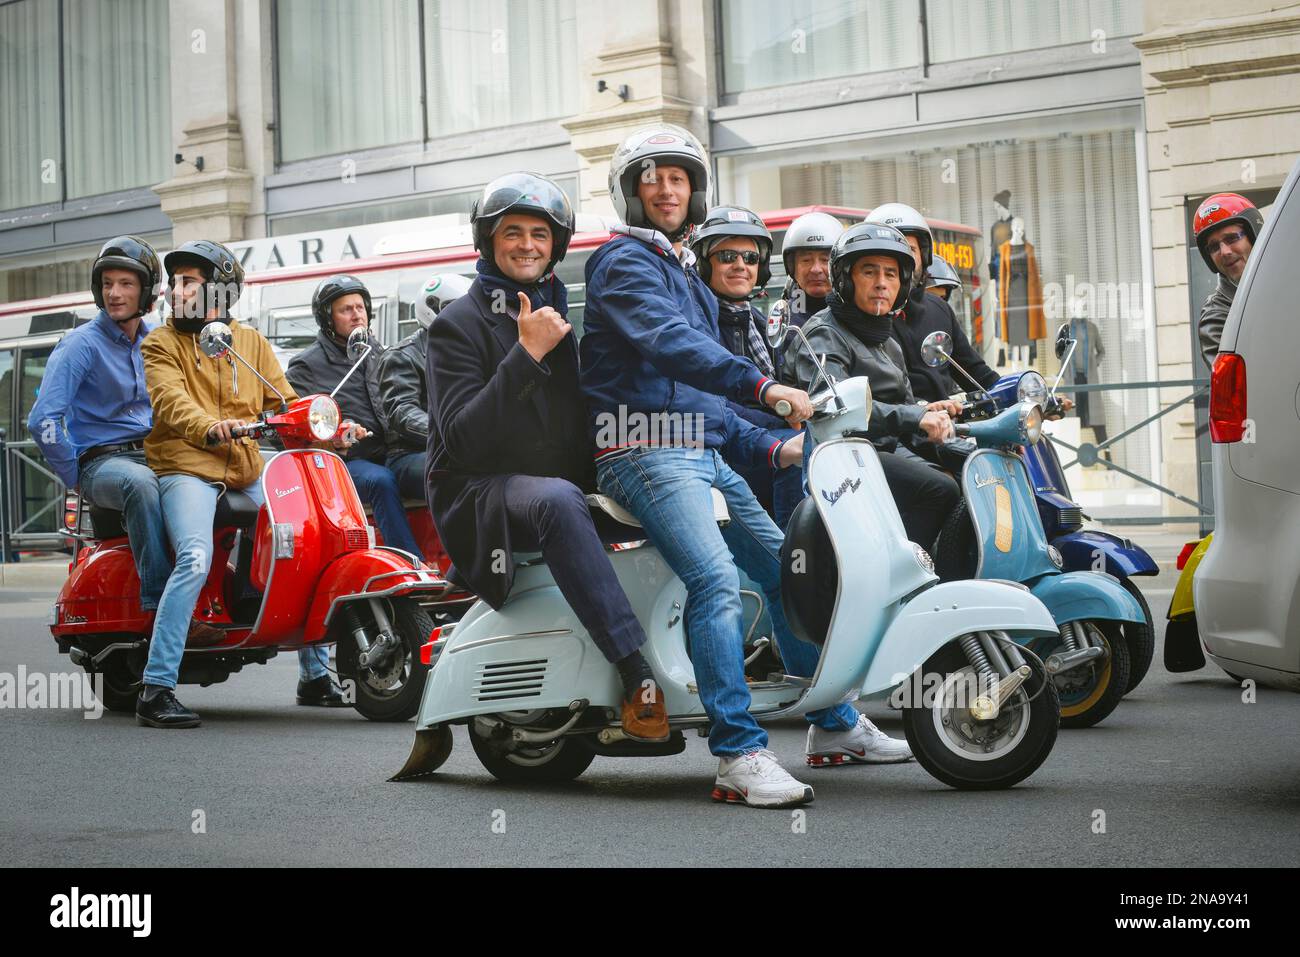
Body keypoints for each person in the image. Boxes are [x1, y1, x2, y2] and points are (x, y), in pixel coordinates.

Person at [582, 124, 912, 810]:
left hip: (697, 451)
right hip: (638, 449)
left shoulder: (683, 275)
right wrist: (763, 388)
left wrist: (776, 446)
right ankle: (737, 750)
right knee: (714, 581)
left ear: (693, 190)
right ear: (632, 191)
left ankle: (833, 720)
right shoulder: (622, 263)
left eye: (679, 177)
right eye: (653, 177)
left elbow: (703, 401)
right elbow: (671, 347)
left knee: (786, 569)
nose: (667, 188)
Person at [425, 172, 669, 743]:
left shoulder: (557, 313)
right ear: (488, 242)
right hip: (479, 491)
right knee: (559, 499)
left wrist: (654, 442)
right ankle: (636, 672)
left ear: (556, 245)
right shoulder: (458, 325)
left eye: (540, 233)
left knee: (670, 492)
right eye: (513, 232)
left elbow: (575, 418)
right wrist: (527, 353)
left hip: (553, 479)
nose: (527, 245)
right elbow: (462, 439)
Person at [137, 240, 357, 728]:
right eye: (175, 282)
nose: (177, 290)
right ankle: (156, 687)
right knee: (193, 557)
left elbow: (285, 398)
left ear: (221, 290)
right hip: (186, 465)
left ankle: (314, 674)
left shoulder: (250, 342)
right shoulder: (161, 343)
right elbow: (169, 400)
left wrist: (328, 426)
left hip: (245, 466)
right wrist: (207, 426)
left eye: (189, 281)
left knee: (311, 537)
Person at [783, 223, 962, 551]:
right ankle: (903, 571)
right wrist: (913, 417)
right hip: (843, 458)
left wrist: (930, 413)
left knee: (968, 470)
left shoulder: (887, 343)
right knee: (941, 490)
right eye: (869, 272)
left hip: (884, 450)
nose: (881, 283)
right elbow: (832, 408)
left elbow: (906, 410)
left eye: (891, 274)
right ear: (845, 279)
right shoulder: (824, 333)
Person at [28, 236, 170, 618]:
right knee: (139, 485)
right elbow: (43, 421)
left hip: (154, 453)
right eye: (107, 284)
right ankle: (162, 607)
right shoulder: (81, 345)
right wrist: (73, 473)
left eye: (125, 284)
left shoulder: (157, 339)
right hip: (103, 464)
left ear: (147, 291)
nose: (114, 293)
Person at [287, 275, 425, 560]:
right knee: (381, 481)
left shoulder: (381, 353)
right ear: (327, 318)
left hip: (394, 453)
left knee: (439, 466)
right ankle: (411, 564)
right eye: (345, 309)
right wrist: (340, 432)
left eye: (360, 307)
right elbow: (296, 425)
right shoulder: (306, 365)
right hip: (343, 461)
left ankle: (457, 558)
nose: (356, 315)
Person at [689, 204, 801, 526]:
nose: (741, 265)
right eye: (728, 257)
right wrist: (779, 415)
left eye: (750, 258)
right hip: (723, 448)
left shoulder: (760, 323)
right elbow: (715, 406)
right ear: (703, 264)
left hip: (762, 441)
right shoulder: (698, 325)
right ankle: (796, 556)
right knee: (799, 456)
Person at [865, 203, 1001, 405]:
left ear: (924, 255)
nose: (901, 260)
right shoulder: (860, 317)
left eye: (909, 250)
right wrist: (922, 411)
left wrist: (1024, 394)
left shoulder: (939, 309)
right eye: (891, 252)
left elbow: (976, 374)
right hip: (893, 430)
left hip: (947, 428)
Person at [378, 273, 473, 504]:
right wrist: (449, 437)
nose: (467, 315)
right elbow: (402, 411)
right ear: (433, 308)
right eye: (456, 307)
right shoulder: (402, 355)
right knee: (466, 477)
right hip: (410, 454)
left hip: (461, 447)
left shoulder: (470, 350)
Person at [1193, 193, 1265, 369]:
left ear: (1254, 236)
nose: (1224, 251)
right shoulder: (1216, 316)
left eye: (1231, 238)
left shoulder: (1286, 282)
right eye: (1214, 247)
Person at [777, 211, 843, 329]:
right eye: (806, 260)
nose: (816, 269)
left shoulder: (858, 316)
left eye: (825, 259)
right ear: (792, 267)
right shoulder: (784, 324)